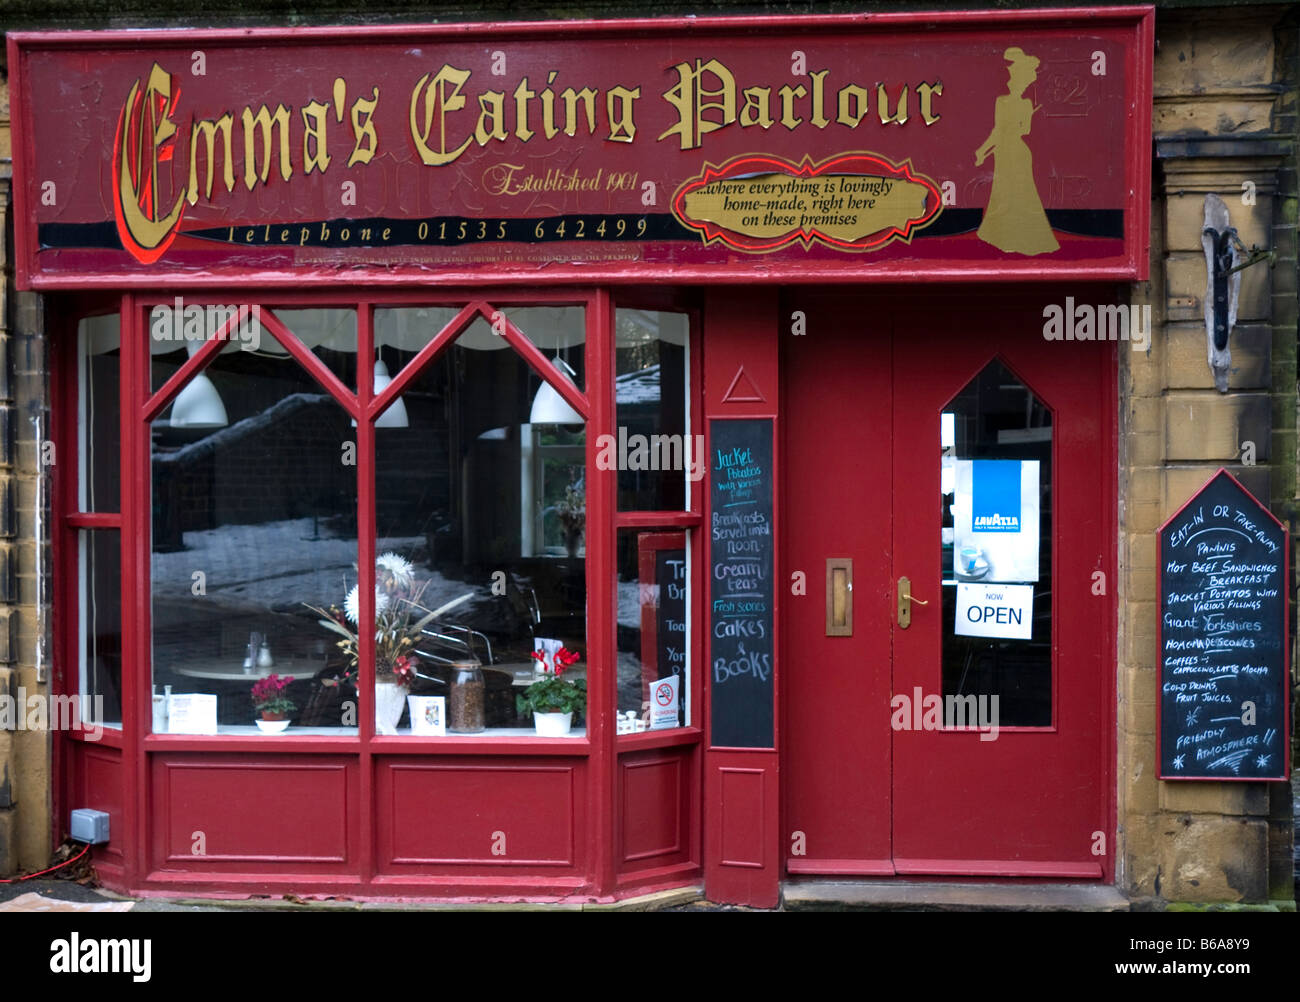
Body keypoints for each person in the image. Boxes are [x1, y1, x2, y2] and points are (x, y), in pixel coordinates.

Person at [974, 47, 1060, 256]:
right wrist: (982, 150)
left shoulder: (1014, 103)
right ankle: (1006, 238)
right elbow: (1006, 130)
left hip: (1013, 151)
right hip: (1007, 151)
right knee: (1005, 195)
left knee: (1018, 194)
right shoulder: (1010, 102)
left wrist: (983, 150)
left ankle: (1021, 239)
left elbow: (1011, 131)